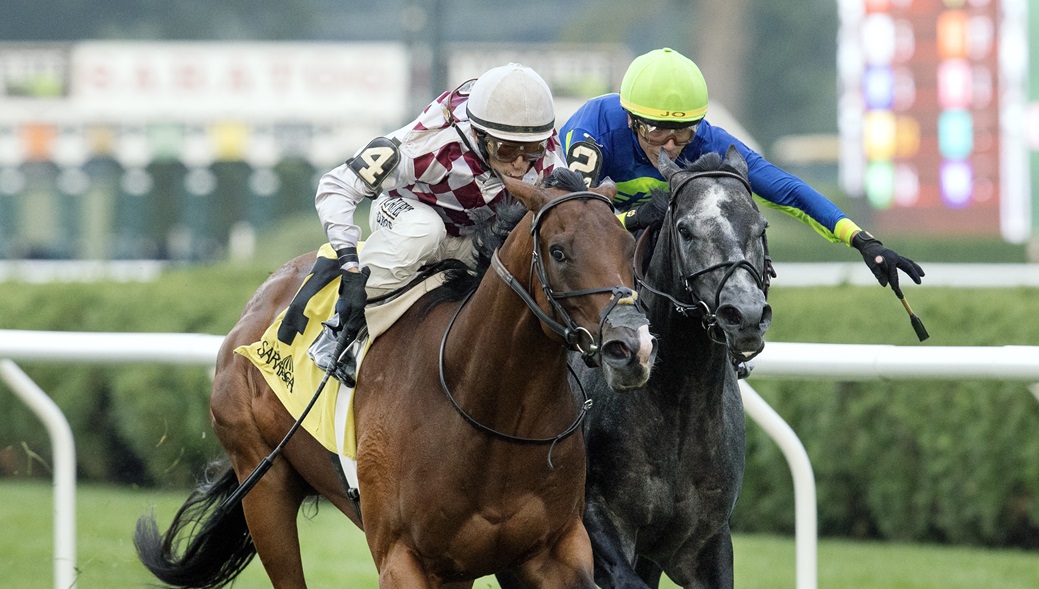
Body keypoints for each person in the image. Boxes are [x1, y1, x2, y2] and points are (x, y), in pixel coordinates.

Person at [560, 47, 925, 306]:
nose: (670, 145)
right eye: (657, 130)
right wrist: (633, 219)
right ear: (630, 118)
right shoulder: (595, 129)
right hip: (580, 247)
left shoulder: (708, 141)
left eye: (683, 131)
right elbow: (573, 223)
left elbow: (788, 191)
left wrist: (861, 239)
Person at [314, 62, 566, 384]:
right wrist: (349, 266)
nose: (520, 163)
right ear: (478, 133)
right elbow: (336, 186)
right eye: (505, 149)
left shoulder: (548, 153)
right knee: (425, 230)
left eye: (531, 150)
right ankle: (340, 330)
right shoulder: (427, 142)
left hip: (475, 239)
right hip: (405, 213)